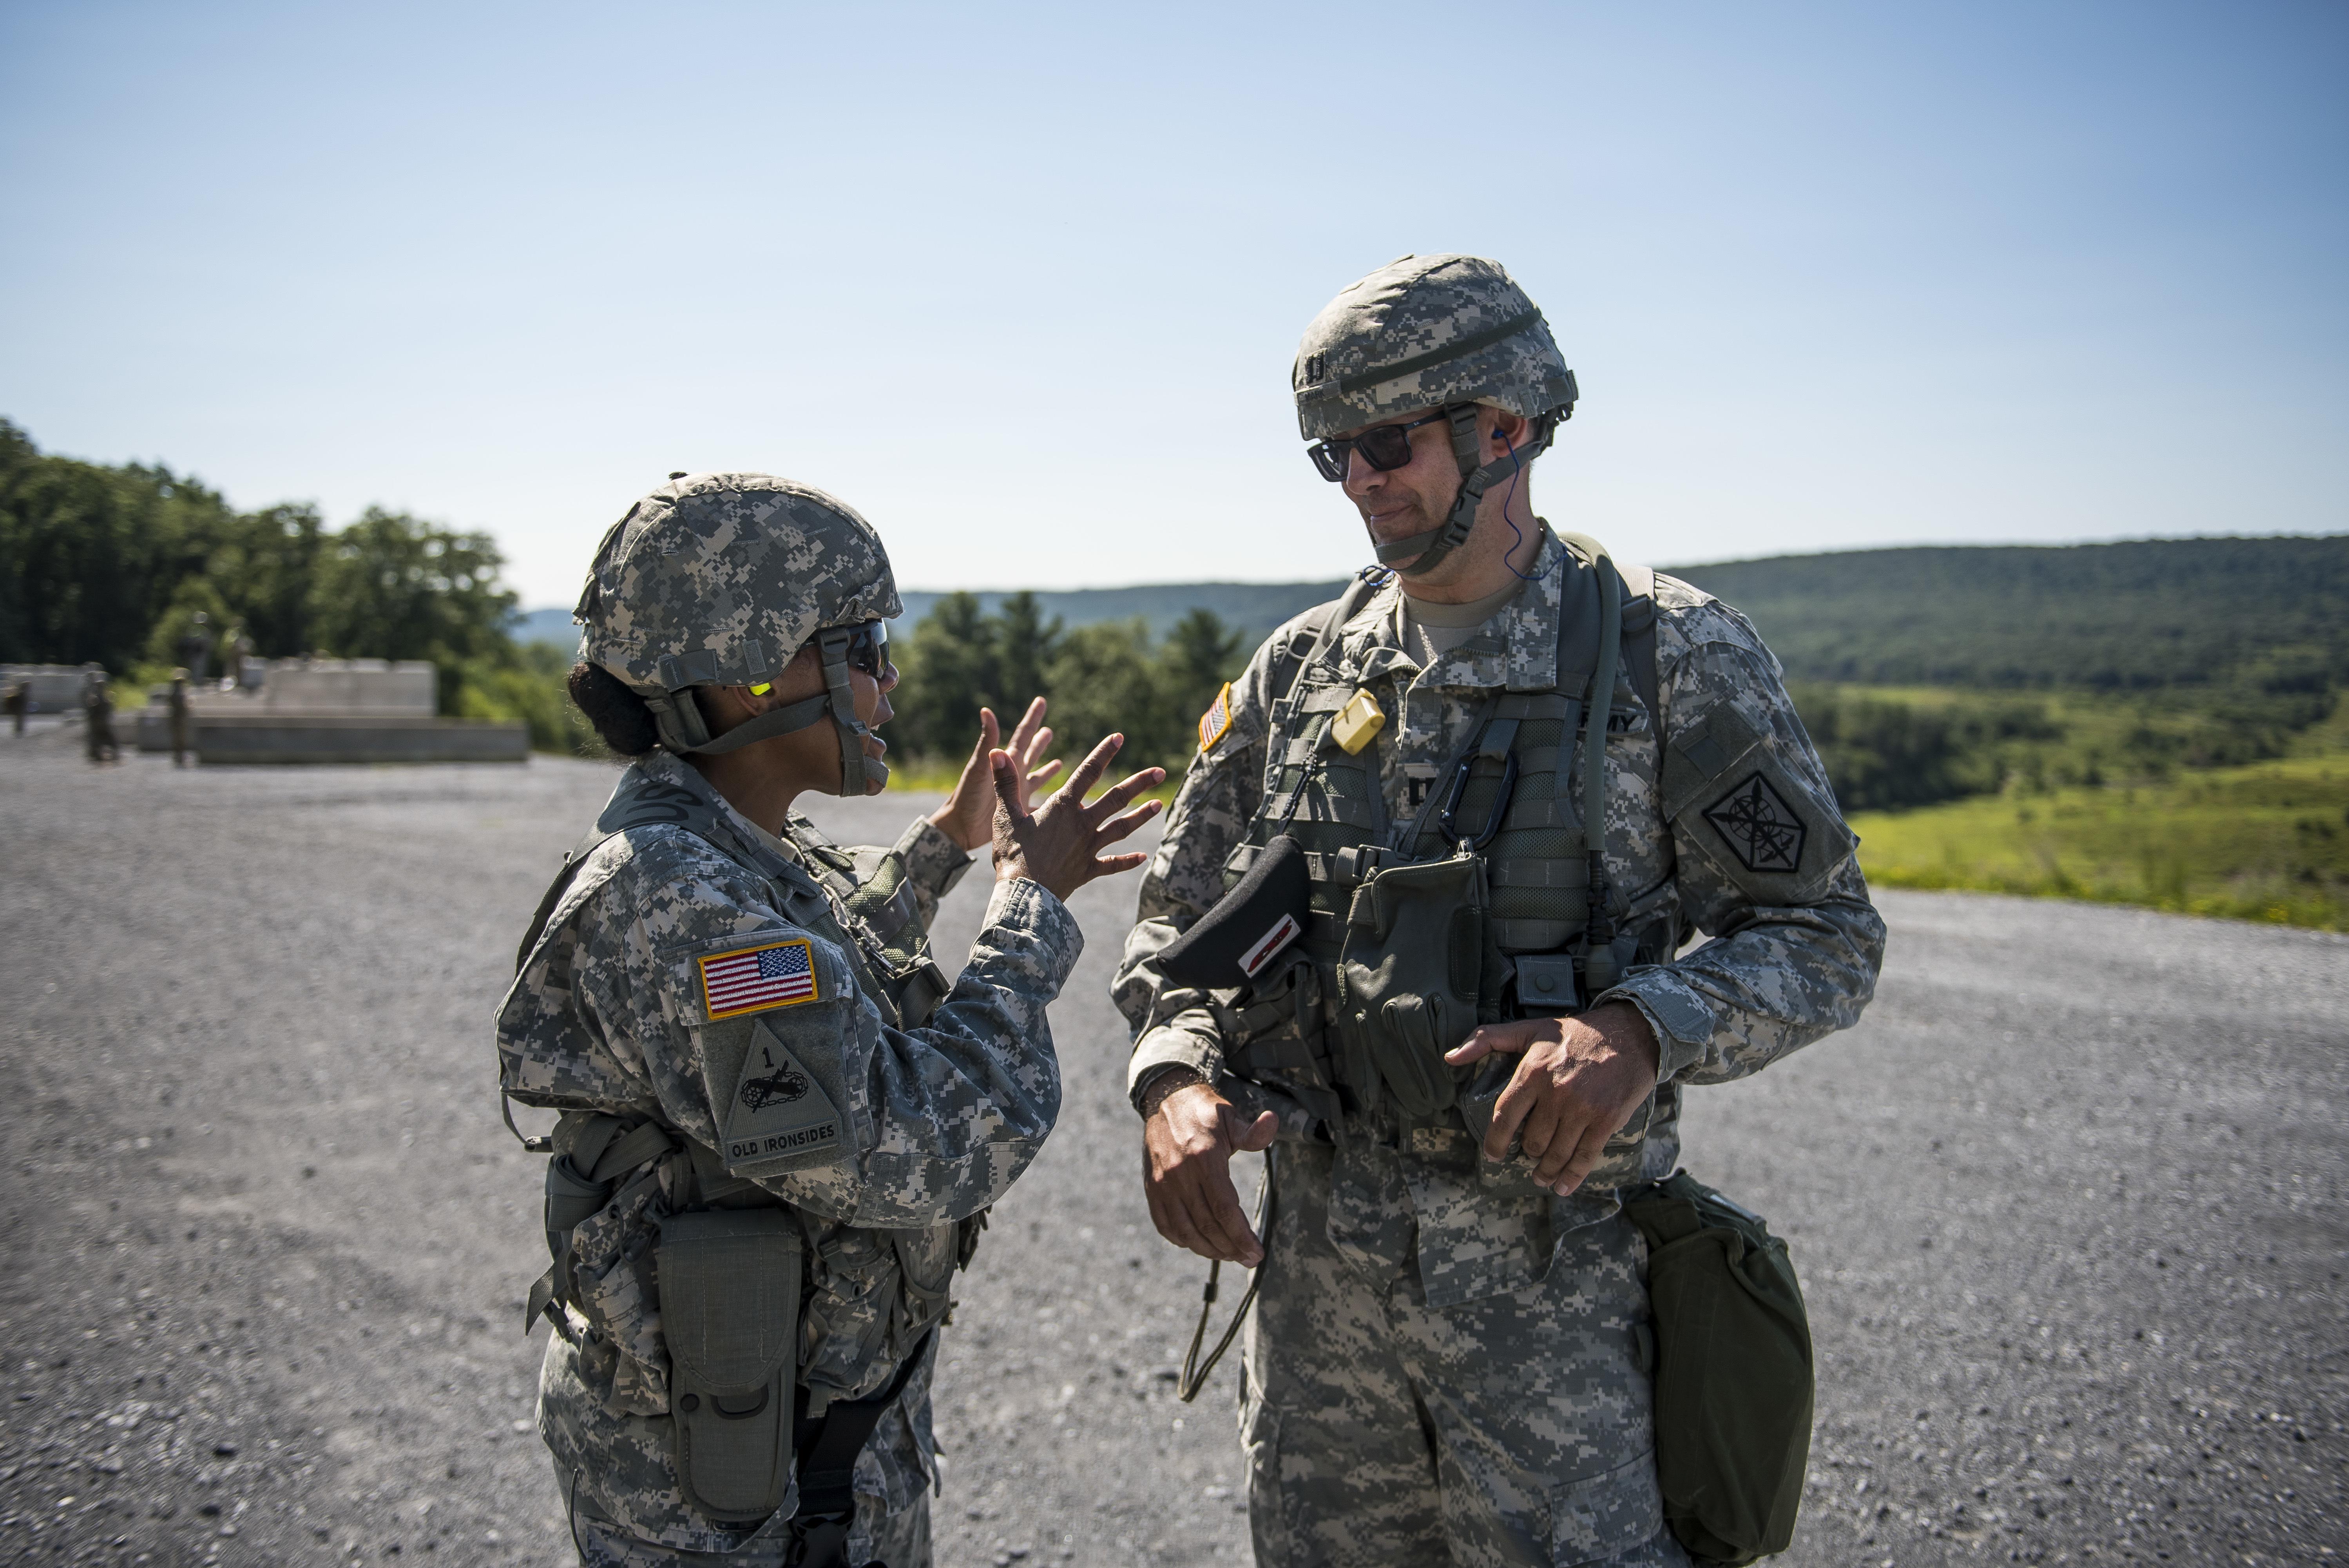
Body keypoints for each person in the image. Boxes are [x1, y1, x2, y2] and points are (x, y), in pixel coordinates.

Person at [1112, 255, 1887, 1567]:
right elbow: (1175, 924)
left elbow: (1826, 933)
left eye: (1385, 442)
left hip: (1554, 1292)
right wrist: (1172, 1077)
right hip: (1326, 1312)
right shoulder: (1300, 671)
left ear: (1506, 429)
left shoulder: (1667, 657)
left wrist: (1641, 1030)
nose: (1360, 481)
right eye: (1331, 455)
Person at [498, 473, 1165, 1568]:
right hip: (733, 1509)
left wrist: (949, 846)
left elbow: (827, 967)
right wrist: (1026, 911)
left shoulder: (717, 844)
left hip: (803, 1458)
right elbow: (926, 1147)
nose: (889, 681)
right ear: (748, 678)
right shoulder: (677, 900)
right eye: (860, 649)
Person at [81, 667, 118, 764]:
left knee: (107, 738)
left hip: (102, 721)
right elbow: (90, 707)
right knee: (96, 739)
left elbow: (109, 709)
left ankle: (113, 754)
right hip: (97, 722)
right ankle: (95, 754)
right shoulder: (95, 696)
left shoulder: (103, 697)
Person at [169, 669, 192, 767]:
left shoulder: (175, 692)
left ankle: (179, 756)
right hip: (179, 718)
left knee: (178, 739)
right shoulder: (179, 693)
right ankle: (180, 756)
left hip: (177, 718)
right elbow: (183, 706)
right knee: (180, 739)